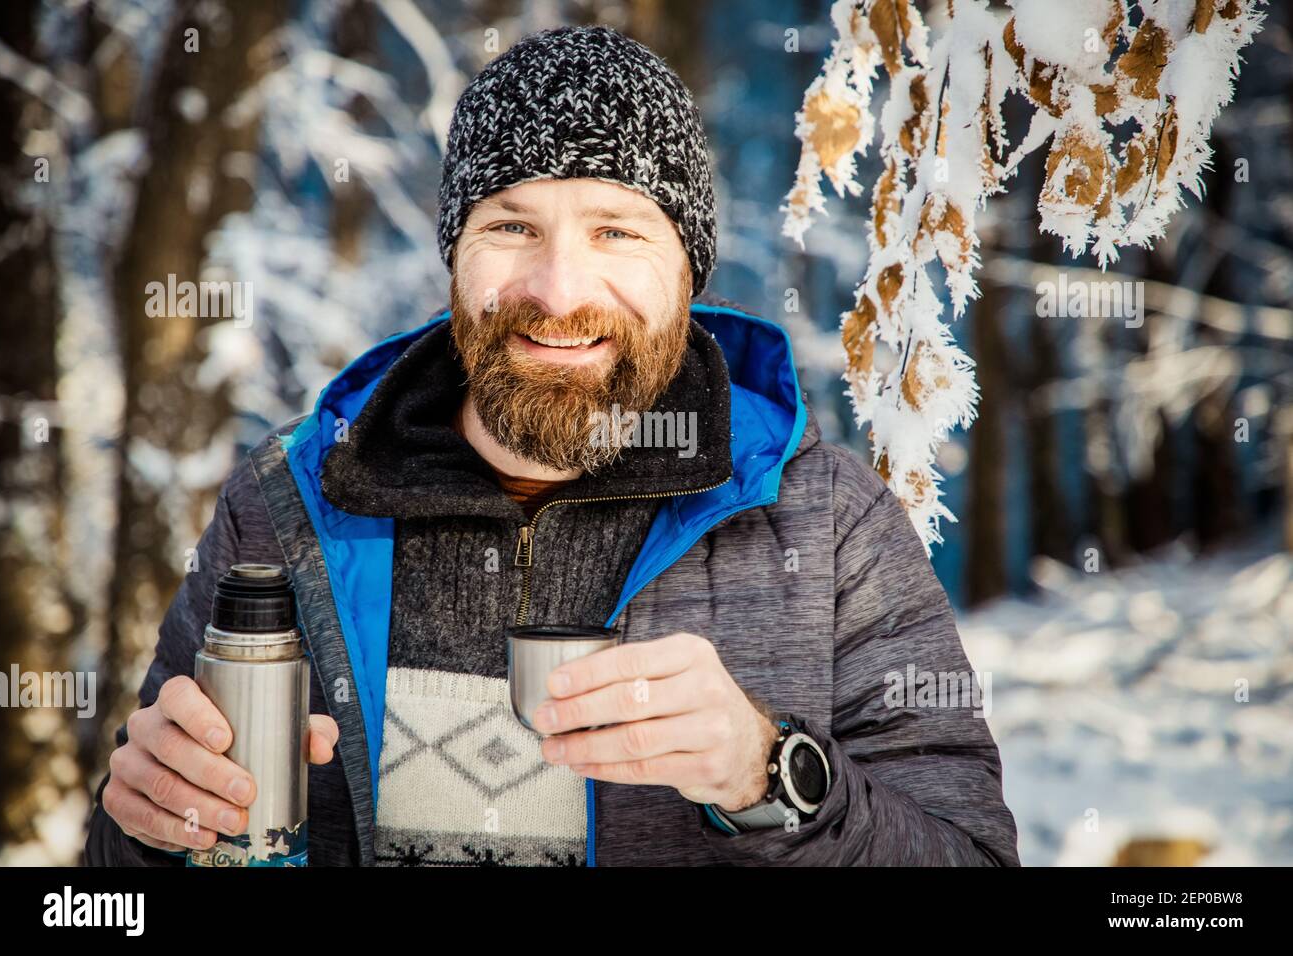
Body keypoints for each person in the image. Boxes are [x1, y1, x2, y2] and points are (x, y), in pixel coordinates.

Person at [84, 24, 1019, 867]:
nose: (560, 289)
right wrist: (149, 833)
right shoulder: (287, 504)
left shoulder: (827, 522)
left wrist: (766, 773)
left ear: (689, 267)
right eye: (511, 227)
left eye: (617, 230)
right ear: (454, 257)